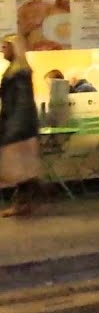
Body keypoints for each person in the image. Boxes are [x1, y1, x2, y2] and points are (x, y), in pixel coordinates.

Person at [1, 34, 41, 217]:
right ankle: (25, 203)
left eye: (6, 46)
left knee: (19, 168)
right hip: (19, 125)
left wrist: (15, 128)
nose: (2, 49)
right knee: (22, 169)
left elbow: (23, 102)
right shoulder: (15, 71)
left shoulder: (19, 73)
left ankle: (26, 201)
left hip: (20, 127)